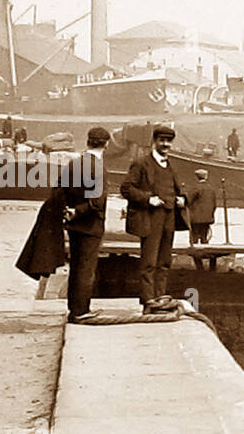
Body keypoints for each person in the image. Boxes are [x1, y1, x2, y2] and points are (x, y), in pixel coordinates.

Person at [120, 124, 186, 311]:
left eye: (168, 141)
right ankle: (148, 300)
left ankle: (160, 297)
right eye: (162, 140)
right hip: (150, 218)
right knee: (149, 261)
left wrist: (182, 198)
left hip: (169, 217)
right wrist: (149, 199)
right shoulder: (141, 163)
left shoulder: (171, 164)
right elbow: (126, 188)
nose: (166, 144)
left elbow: (176, 188)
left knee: (165, 261)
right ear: (154, 141)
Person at [61, 127, 110, 322]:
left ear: (88, 142)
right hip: (91, 226)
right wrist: (79, 211)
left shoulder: (74, 163)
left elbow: (61, 189)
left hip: (73, 225)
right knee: (87, 269)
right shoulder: (98, 167)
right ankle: (82, 311)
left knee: (75, 267)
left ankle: (74, 309)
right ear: (106, 144)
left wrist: (69, 211)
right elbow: (96, 202)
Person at [187, 167, 217, 245]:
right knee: (204, 238)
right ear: (206, 177)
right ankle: (205, 254)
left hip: (195, 219)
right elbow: (214, 205)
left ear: (196, 177)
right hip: (207, 218)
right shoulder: (211, 189)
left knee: (194, 239)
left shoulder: (195, 188)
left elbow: (188, 201)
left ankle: (195, 256)